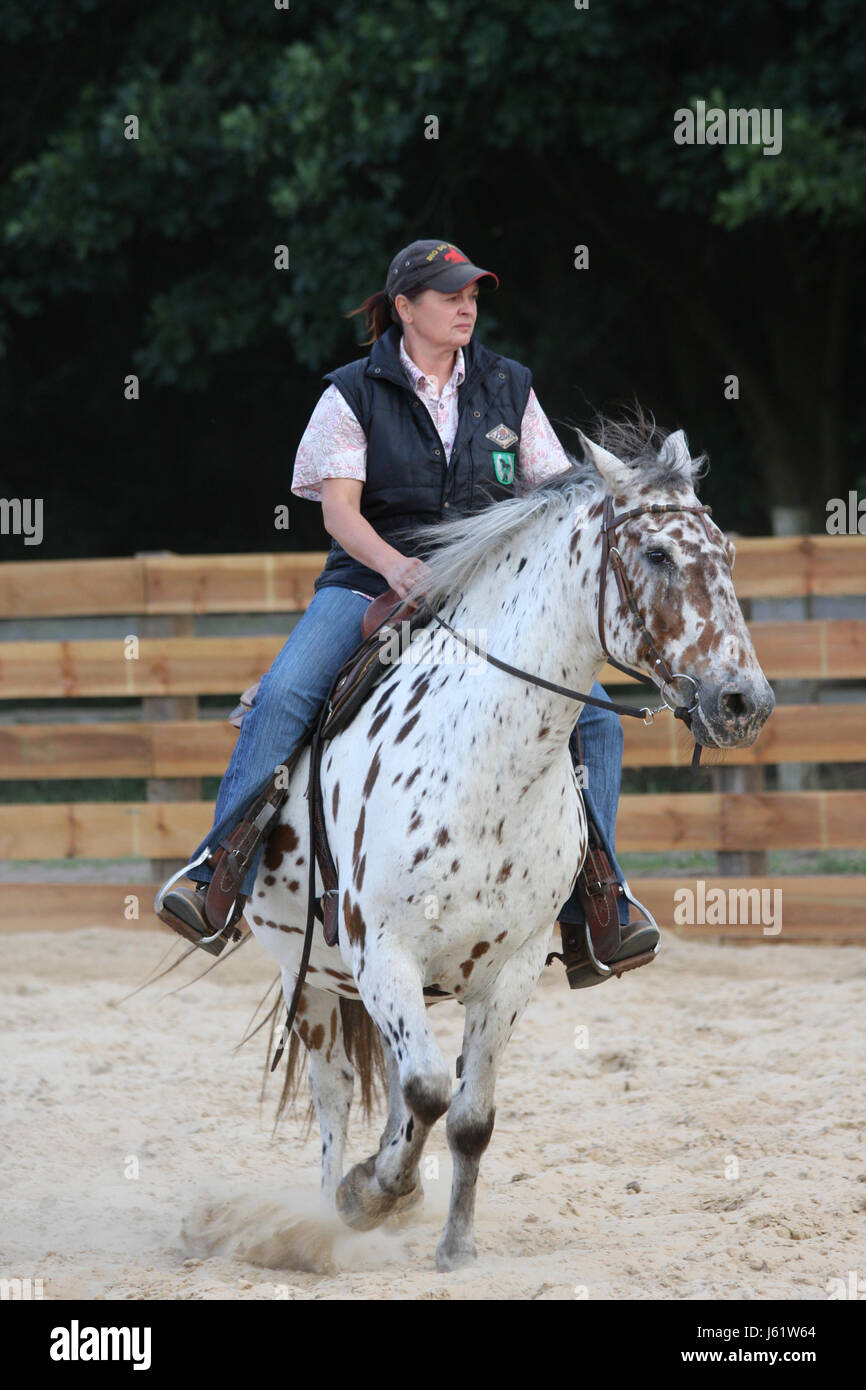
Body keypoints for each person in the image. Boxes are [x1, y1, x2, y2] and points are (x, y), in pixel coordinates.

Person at [155, 238, 659, 977]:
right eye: (450, 295)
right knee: (289, 691)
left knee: (600, 723)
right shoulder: (351, 392)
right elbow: (340, 514)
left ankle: (596, 911)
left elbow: (554, 496)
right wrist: (396, 565)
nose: (467, 307)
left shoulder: (509, 386)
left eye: (474, 295)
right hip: (368, 585)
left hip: (485, 596)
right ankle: (216, 874)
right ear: (404, 308)